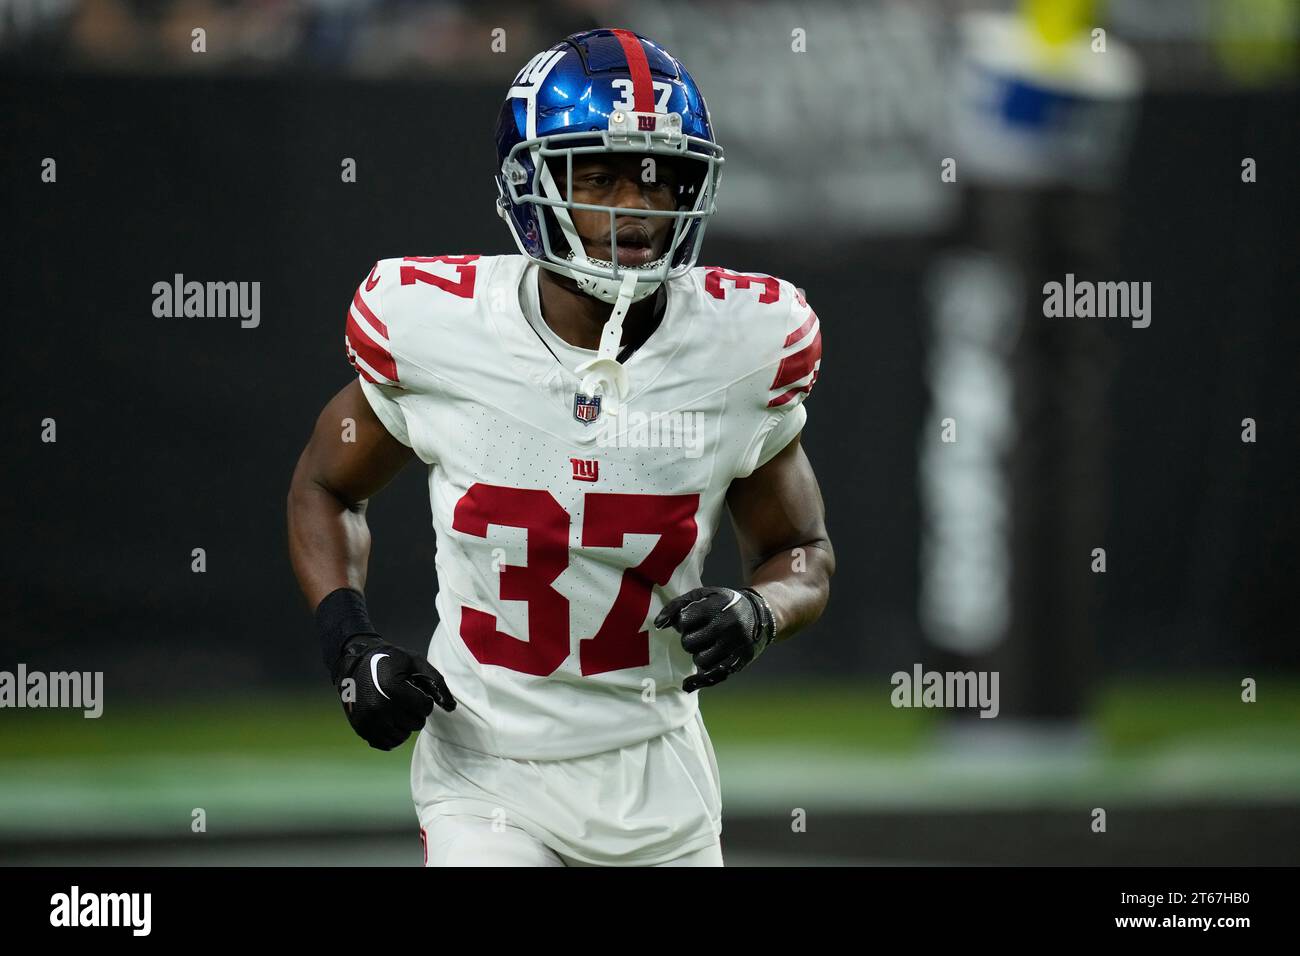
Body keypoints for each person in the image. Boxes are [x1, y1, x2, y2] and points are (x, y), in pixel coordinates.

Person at [287, 27, 833, 867]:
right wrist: (349, 646)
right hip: (486, 768)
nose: (636, 208)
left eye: (659, 178)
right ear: (530, 183)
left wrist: (760, 611)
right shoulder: (439, 328)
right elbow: (325, 487)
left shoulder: (743, 348)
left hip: (657, 772)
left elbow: (801, 552)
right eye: (600, 175)